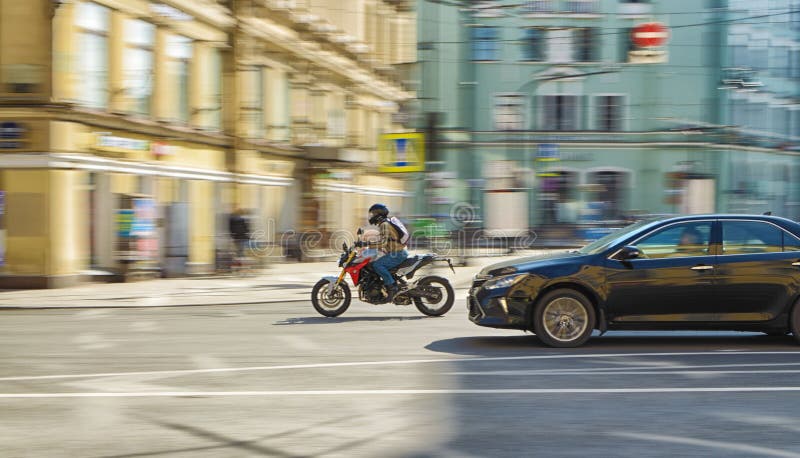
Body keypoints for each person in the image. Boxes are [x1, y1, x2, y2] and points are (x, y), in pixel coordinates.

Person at [355, 203, 408, 301]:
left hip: (397, 254)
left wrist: (366, 244)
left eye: (372, 214)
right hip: (395, 253)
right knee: (374, 263)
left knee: (377, 265)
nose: (371, 216)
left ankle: (392, 287)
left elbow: (382, 242)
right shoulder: (384, 224)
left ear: (378, 214)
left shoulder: (384, 224)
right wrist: (368, 245)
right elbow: (384, 241)